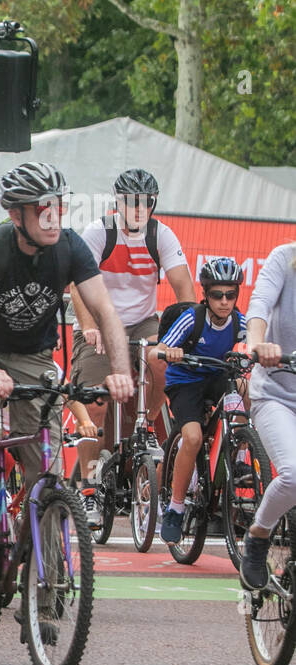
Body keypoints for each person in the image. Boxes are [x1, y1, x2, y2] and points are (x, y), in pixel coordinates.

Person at [0, 162, 133, 537]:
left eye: (57, 207)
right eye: (41, 209)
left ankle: (45, 578)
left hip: (34, 357)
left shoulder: (69, 246)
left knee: (45, 474)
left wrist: (121, 370)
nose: (52, 218)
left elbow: (105, 310)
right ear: (16, 214)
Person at [70, 168, 195, 525]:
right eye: (132, 202)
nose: (139, 209)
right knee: (94, 402)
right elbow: (76, 284)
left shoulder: (161, 235)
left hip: (142, 321)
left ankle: (146, 426)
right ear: (119, 203)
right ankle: (89, 489)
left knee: (160, 360)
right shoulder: (99, 232)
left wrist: (186, 332)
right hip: (99, 321)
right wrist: (90, 325)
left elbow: (183, 287)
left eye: (145, 203)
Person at [151, 258, 247, 546]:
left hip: (218, 377)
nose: (224, 301)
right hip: (187, 382)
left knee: (246, 385)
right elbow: (158, 349)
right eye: (218, 295)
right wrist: (170, 352)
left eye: (231, 295)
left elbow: (252, 345)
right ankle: (175, 508)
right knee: (191, 437)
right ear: (205, 294)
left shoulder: (240, 322)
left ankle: (240, 452)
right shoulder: (193, 318)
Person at [240, 243, 296, 590]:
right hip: (276, 395)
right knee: (294, 475)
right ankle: (259, 533)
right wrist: (258, 343)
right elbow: (259, 305)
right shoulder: (283, 259)